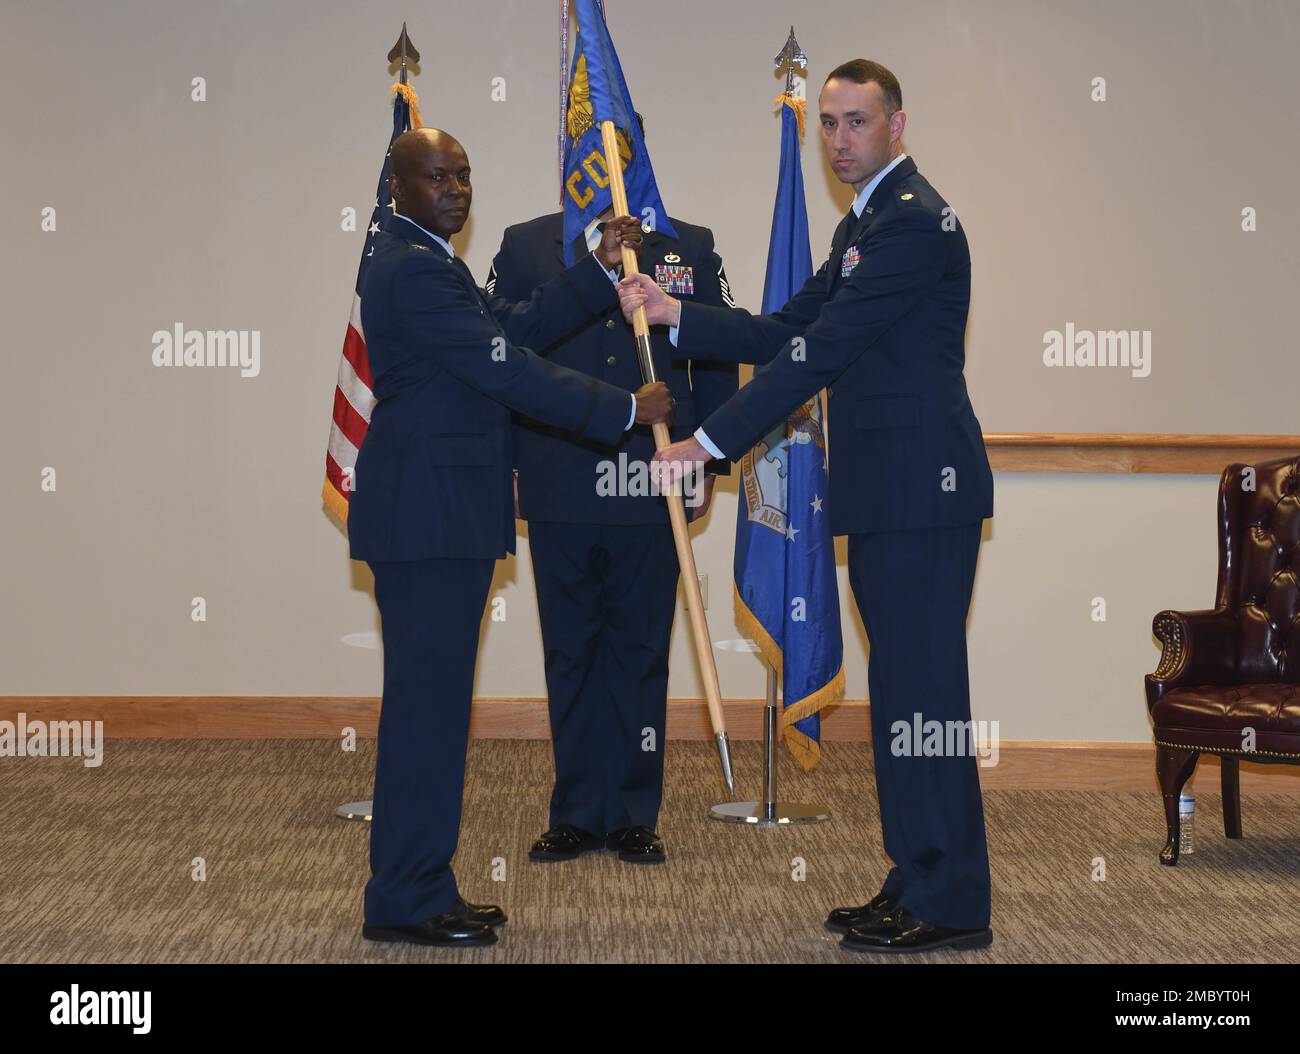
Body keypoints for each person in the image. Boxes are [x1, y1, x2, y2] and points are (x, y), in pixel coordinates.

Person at [616, 59, 995, 954]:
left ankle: (952, 902)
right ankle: (917, 876)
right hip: (889, 498)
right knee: (903, 695)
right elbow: (788, 328)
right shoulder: (864, 227)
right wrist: (680, 313)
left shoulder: (911, 225)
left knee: (927, 698)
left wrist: (707, 444)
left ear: (898, 126)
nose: (839, 140)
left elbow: (816, 356)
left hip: (923, 497)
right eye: (828, 124)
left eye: (857, 123)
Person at [348, 127, 673, 948]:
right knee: (427, 711)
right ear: (398, 185)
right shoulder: (410, 266)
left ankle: (419, 883)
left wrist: (598, 270)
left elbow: (515, 325)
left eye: (464, 175)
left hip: (439, 514)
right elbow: (506, 366)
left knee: (433, 707)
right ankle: (407, 896)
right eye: (436, 176)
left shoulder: (426, 256)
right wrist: (623, 410)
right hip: (428, 516)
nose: (455, 189)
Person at [486, 185, 737, 866]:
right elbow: (499, 356)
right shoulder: (525, 243)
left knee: (639, 649)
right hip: (558, 470)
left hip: (651, 474)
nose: (605, 165)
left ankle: (630, 811)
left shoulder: (690, 242)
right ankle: (573, 810)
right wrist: (506, 464)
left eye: (620, 147)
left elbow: (713, 359)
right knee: (570, 651)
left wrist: (707, 459)